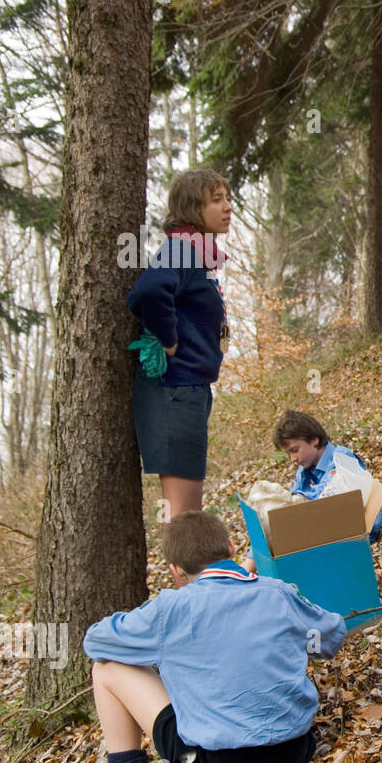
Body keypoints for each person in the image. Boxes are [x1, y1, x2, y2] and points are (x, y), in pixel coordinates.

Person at [83, 511, 346, 763]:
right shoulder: (278, 593)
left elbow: (96, 642)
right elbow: (332, 637)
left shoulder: (169, 610)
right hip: (294, 756)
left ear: (176, 570)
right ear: (233, 547)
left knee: (105, 670)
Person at [127, 169, 233, 527]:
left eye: (228, 198)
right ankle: (187, 580)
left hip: (189, 390)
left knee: (186, 514)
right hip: (175, 390)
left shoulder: (196, 252)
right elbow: (149, 290)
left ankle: (188, 577)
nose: (227, 207)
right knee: (185, 517)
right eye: (216, 199)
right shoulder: (180, 250)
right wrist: (169, 340)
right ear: (192, 207)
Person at [273, 410, 382, 543]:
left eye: (295, 451)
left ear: (314, 440)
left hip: (354, 538)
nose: (293, 459)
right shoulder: (304, 470)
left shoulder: (340, 459)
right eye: (289, 454)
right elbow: (291, 505)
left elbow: (327, 504)